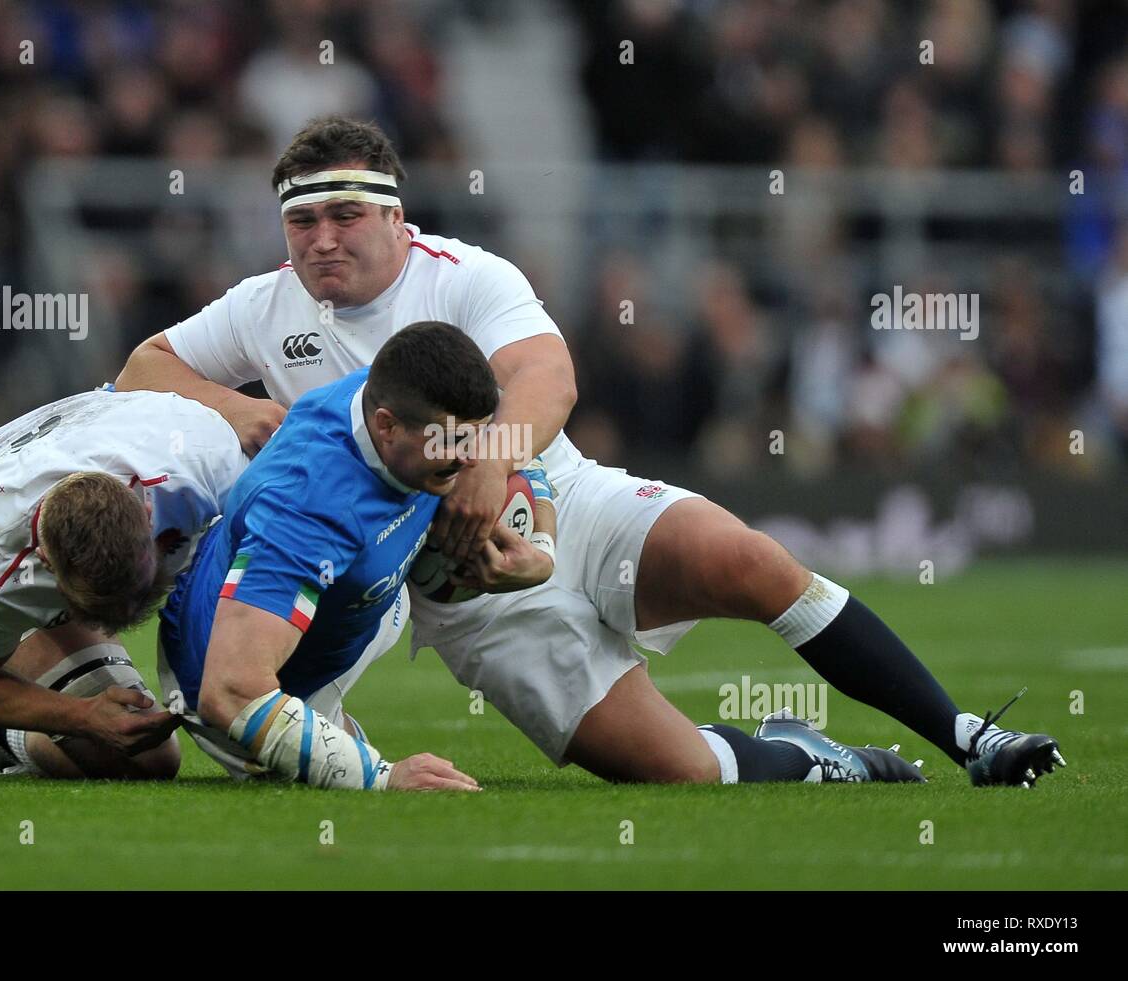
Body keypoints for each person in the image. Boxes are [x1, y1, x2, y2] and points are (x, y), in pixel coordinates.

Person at [117, 115, 1063, 788]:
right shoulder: (265, 303)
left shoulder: (465, 275)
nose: (321, 239)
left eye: (345, 215)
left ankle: (968, 734)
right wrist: (237, 411)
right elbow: (142, 366)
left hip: (563, 493)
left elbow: (548, 376)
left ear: (397, 217)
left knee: (751, 560)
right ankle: (823, 756)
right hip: (463, 590)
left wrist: (490, 459)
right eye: (301, 220)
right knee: (680, 770)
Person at [157, 321, 555, 790]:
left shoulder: (415, 399)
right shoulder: (306, 508)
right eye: (451, 443)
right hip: (228, 680)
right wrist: (383, 778)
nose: (473, 458)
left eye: (476, 437)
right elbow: (229, 693)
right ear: (385, 426)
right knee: (318, 785)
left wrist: (542, 553)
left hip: (359, 599)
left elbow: (510, 444)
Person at [0, 388, 247, 779]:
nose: (120, 622)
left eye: (137, 590)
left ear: (148, 513)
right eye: (99, 609)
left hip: (109, 426)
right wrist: (83, 717)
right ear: (45, 562)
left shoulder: (202, 455)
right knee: (145, 762)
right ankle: (5, 735)